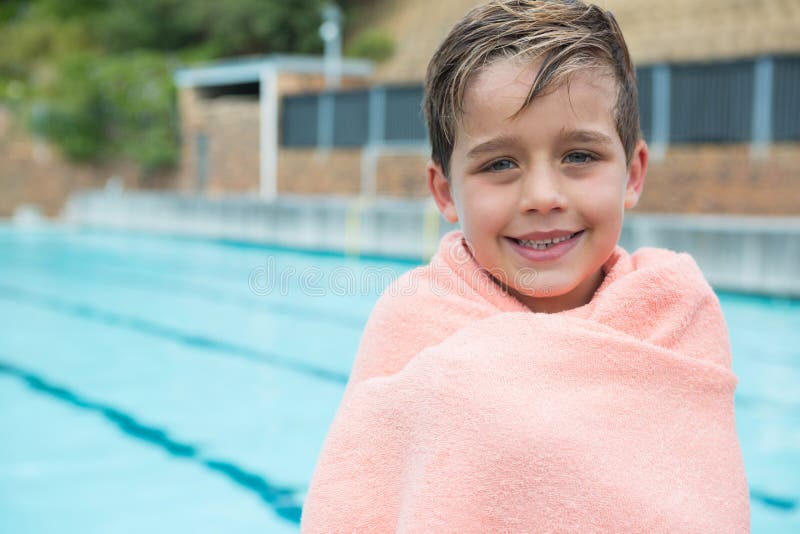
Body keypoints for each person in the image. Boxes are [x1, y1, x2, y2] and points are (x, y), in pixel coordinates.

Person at [301, 1, 750, 531]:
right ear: (445, 192)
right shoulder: (414, 329)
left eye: (579, 156)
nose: (542, 197)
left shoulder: (675, 316)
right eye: (500, 164)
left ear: (632, 174)